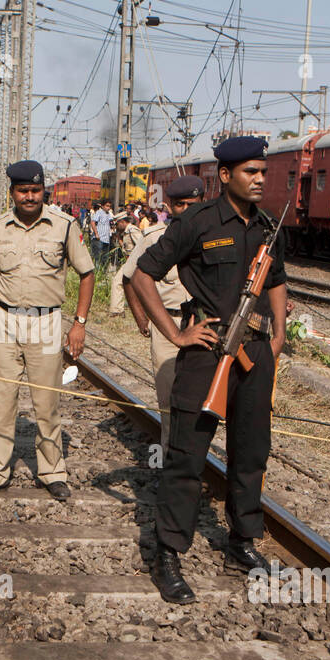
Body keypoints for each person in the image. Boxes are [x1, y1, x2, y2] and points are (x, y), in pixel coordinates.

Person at [130, 136, 287, 604]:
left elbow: (276, 279)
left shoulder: (266, 226)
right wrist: (177, 336)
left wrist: (277, 337)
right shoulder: (196, 222)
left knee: (251, 450)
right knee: (186, 456)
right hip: (207, 353)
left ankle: (241, 540)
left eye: (263, 170)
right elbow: (142, 275)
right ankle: (168, 553)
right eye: (250, 172)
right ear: (225, 176)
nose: (260, 178)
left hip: (255, 355)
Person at [0, 160, 95, 502]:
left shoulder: (64, 227)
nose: (29, 197)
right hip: (4, 320)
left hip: (47, 322)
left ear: (44, 192)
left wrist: (79, 324)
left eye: (35, 191)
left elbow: (87, 273)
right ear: (12, 193)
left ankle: (52, 472)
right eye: (23, 191)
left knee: (47, 402)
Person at [121, 175, 200, 450]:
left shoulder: (215, 239)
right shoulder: (155, 238)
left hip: (205, 327)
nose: (187, 210)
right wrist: (143, 319)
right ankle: (170, 461)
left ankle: (193, 461)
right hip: (169, 326)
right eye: (180, 205)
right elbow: (130, 278)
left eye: (193, 204)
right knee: (169, 400)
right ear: (169, 207)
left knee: (202, 402)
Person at [107, 211, 141, 316]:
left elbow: (141, 245)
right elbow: (126, 247)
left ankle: (117, 310)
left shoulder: (132, 230)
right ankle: (118, 309)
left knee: (117, 282)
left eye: (117, 224)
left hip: (134, 262)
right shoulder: (126, 232)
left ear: (122, 222)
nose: (116, 227)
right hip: (130, 261)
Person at [90, 201, 113, 267]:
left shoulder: (109, 214)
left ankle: (103, 273)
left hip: (106, 239)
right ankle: (97, 273)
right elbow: (93, 222)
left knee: (105, 258)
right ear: (102, 206)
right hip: (99, 238)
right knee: (98, 257)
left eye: (109, 206)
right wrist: (96, 233)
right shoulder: (99, 212)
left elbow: (111, 223)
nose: (108, 208)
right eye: (107, 206)